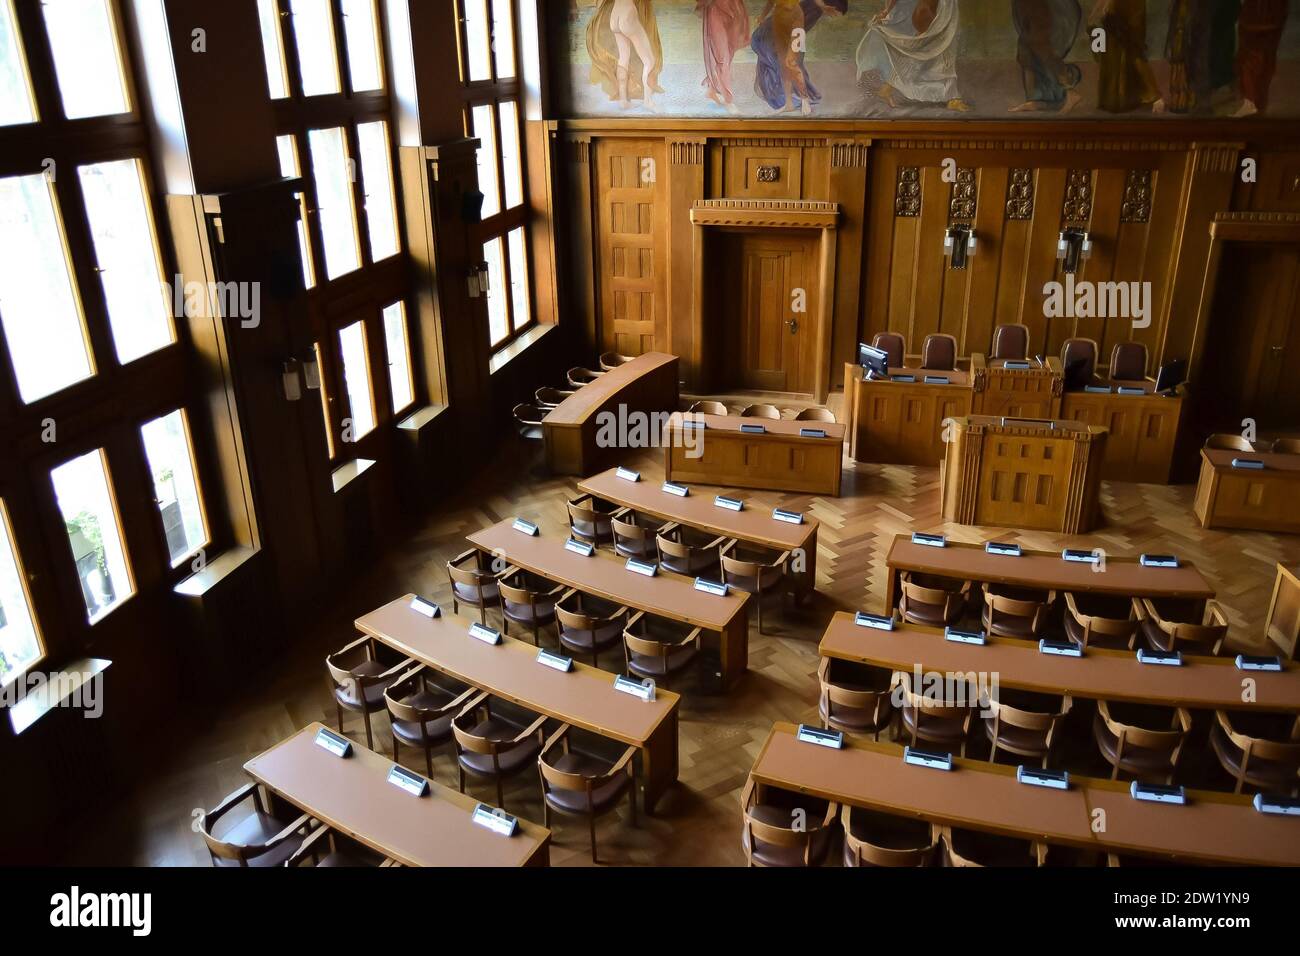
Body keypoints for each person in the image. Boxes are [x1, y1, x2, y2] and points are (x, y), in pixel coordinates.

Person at [856, 0, 969, 111]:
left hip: (942, 8)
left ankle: (888, 87)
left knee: (940, 46)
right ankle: (952, 97)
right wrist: (886, 11)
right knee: (929, 47)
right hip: (930, 10)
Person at [750, 0, 846, 115]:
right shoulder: (813, 9)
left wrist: (822, 6)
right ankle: (791, 103)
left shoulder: (813, 8)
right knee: (787, 63)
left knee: (790, 63)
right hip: (781, 26)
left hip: (791, 25)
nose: (832, 16)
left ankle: (803, 99)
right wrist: (762, 17)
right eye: (835, 13)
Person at [586, 0, 666, 111]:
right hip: (628, 13)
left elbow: (599, 4)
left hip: (615, 16)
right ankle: (648, 101)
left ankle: (623, 101)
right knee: (649, 61)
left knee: (623, 58)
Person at [1009, 0, 1083, 113]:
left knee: (1040, 42)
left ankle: (1070, 92)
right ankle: (1034, 100)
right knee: (1025, 48)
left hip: (1047, 6)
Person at [1089, 0, 1159, 113]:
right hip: (1114, 13)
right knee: (1111, 47)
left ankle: (1153, 94)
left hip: (1127, 8)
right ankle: (1115, 99)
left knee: (1131, 48)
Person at [1234, 0, 1289, 116]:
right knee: (1264, 56)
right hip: (1271, 14)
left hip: (1261, 15)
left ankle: (1252, 102)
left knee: (1252, 56)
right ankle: (1257, 103)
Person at [698, 0, 751, 112]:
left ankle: (712, 90)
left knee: (729, 52)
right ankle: (728, 101)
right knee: (722, 56)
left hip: (735, 9)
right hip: (715, 10)